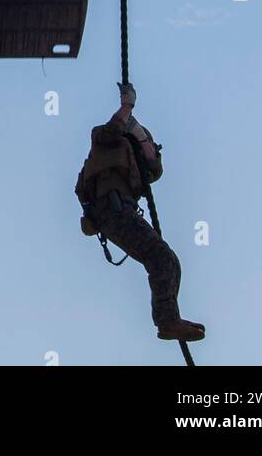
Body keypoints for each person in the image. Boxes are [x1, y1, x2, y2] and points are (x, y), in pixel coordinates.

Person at [75, 82, 204, 343]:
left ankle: (170, 317)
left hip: (120, 212)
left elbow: (154, 169)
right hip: (113, 211)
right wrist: (127, 107)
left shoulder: (133, 162)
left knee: (170, 261)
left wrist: (142, 137)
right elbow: (111, 130)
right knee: (160, 257)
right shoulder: (105, 139)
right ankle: (167, 321)